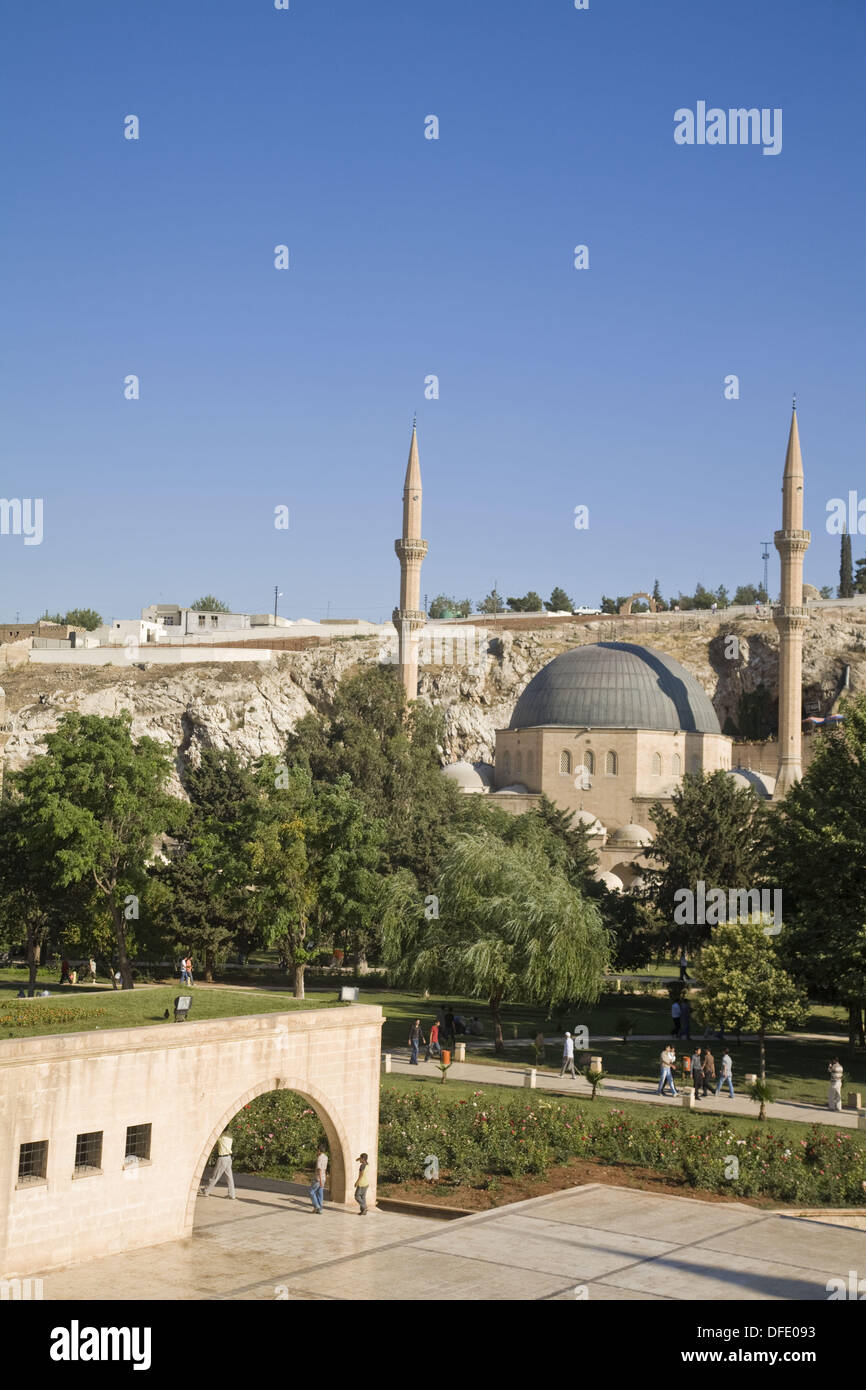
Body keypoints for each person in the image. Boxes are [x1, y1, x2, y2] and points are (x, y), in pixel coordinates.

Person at [202, 1128, 236, 1199]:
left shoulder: (221, 1136)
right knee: (229, 1177)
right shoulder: (230, 1135)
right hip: (229, 1158)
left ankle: (206, 1191)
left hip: (222, 1158)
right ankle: (232, 1195)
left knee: (215, 1176)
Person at [310, 1143, 328, 1214]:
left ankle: (316, 1206)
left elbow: (319, 1169)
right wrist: (324, 1178)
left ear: (319, 1150)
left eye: (317, 1150)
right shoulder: (326, 1157)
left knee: (312, 1192)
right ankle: (320, 1209)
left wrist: (320, 1180)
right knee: (320, 1193)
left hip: (318, 1178)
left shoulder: (319, 1158)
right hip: (323, 1178)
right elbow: (325, 1169)